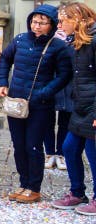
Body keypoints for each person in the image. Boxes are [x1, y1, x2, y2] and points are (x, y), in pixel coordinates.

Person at [0, 4, 72, 204]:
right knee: (19, 145)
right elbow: (5, 58)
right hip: (16, 102)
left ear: (52, 25)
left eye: (42, 22)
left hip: (40, 105)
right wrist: (2, 82)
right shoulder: (20, 40)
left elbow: (64, 75)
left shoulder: (59, 47)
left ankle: (34, 187)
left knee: (33, 146)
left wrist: (44, 92)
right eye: (34, 21)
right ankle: (23, 183)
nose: (36, 26)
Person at [51, 2, 96, 214]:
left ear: (76, 19)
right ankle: (78, 193)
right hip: (81, 106)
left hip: (93, 108)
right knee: (69, 148)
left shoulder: (94, 40)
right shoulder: (77, 42)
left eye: (62, 20)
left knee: (92, 151)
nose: (59, 25)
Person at [43, 15, 73, 171]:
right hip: (49, 82)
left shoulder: (75, 39)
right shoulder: (48, 38)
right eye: (58, 21)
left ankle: (61, 154)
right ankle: (49, 153)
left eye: (63, 21)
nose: (60, 25)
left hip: (68, 84)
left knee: (65, 120)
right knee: (47, 120)